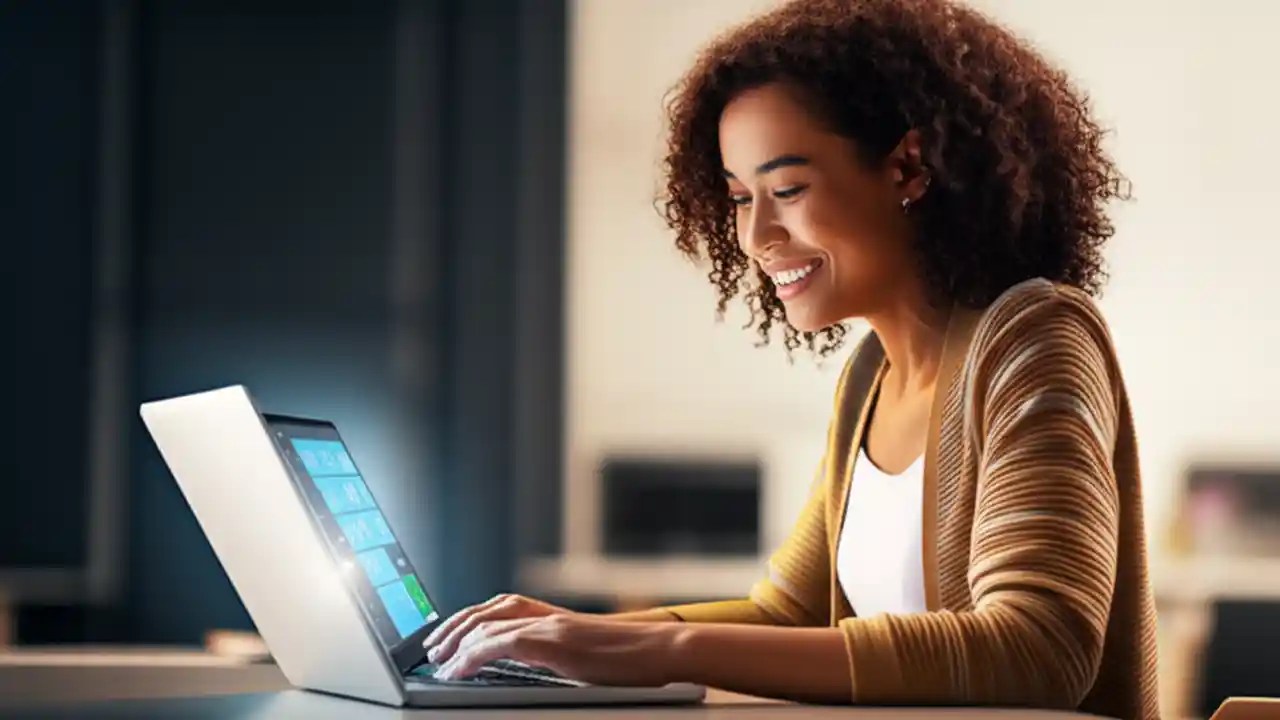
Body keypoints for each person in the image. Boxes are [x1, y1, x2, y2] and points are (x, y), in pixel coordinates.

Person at [422, 0, 1160, 716]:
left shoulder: (1034, 337)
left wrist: (658, 651)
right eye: (741, 198)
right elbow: (792, 613)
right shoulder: (872, 375)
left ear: (907, 168)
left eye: (788, 188)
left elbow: (1039, 649)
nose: (756, 235)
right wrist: (572, 636)